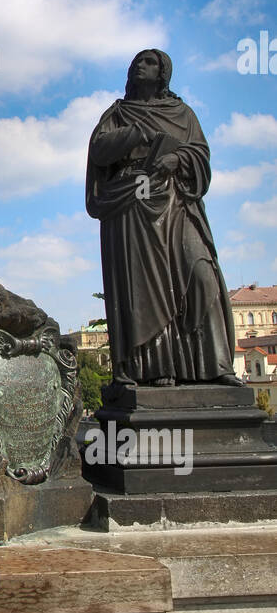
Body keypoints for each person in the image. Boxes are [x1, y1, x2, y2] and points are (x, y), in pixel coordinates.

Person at [86, 49, 238, 388]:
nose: (141, 65)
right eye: (138, 61)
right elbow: (99, 149)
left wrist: (177, 158)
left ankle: (216, 365)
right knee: (146, 288)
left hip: (177, 201)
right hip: (133, 205)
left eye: (150, 61)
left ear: (164, 72)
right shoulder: (119, 112)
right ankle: (155, 369)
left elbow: (200, 153)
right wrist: (135, 135)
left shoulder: (182, 113)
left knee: (201, 274)